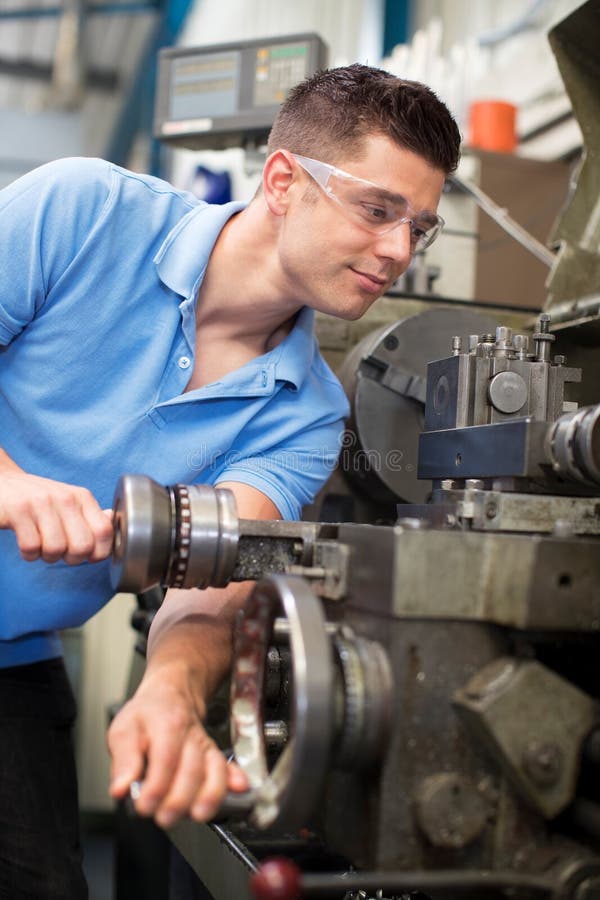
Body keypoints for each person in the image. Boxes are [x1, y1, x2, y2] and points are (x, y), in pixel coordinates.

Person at [0, 63, 460, 898]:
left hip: (13, 661)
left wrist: (171, 690)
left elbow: (210, 579)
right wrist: (7, 479)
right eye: (377, 209)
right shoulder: (81, 211)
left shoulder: (307, 416)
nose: (398, 250)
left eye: (419, 227)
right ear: (284, 181)